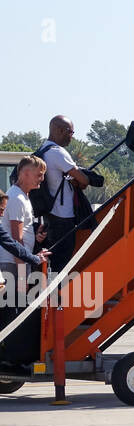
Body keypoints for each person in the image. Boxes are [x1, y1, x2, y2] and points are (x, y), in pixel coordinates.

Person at [1, 156, 52, 369]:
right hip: (13, 264)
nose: (41, 178)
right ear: (24, 173)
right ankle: (11, 359)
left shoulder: (23, 197)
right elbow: (15, 239)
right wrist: (23, 272)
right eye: (38, 173)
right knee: (12, 312)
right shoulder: (17, 198)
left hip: (17, 262)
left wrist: (35, 238)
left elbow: (22, 235)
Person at [37, 116, 90, 274]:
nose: (72, 136)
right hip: (63, 218)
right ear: (60, 130)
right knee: (63, 261)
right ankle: (57, 296)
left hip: (49, 215)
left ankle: (50, 294)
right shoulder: (58, 153)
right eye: (71, 132)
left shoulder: (43, 150)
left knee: (53, 261)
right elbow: (84, 180)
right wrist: (80, 178)